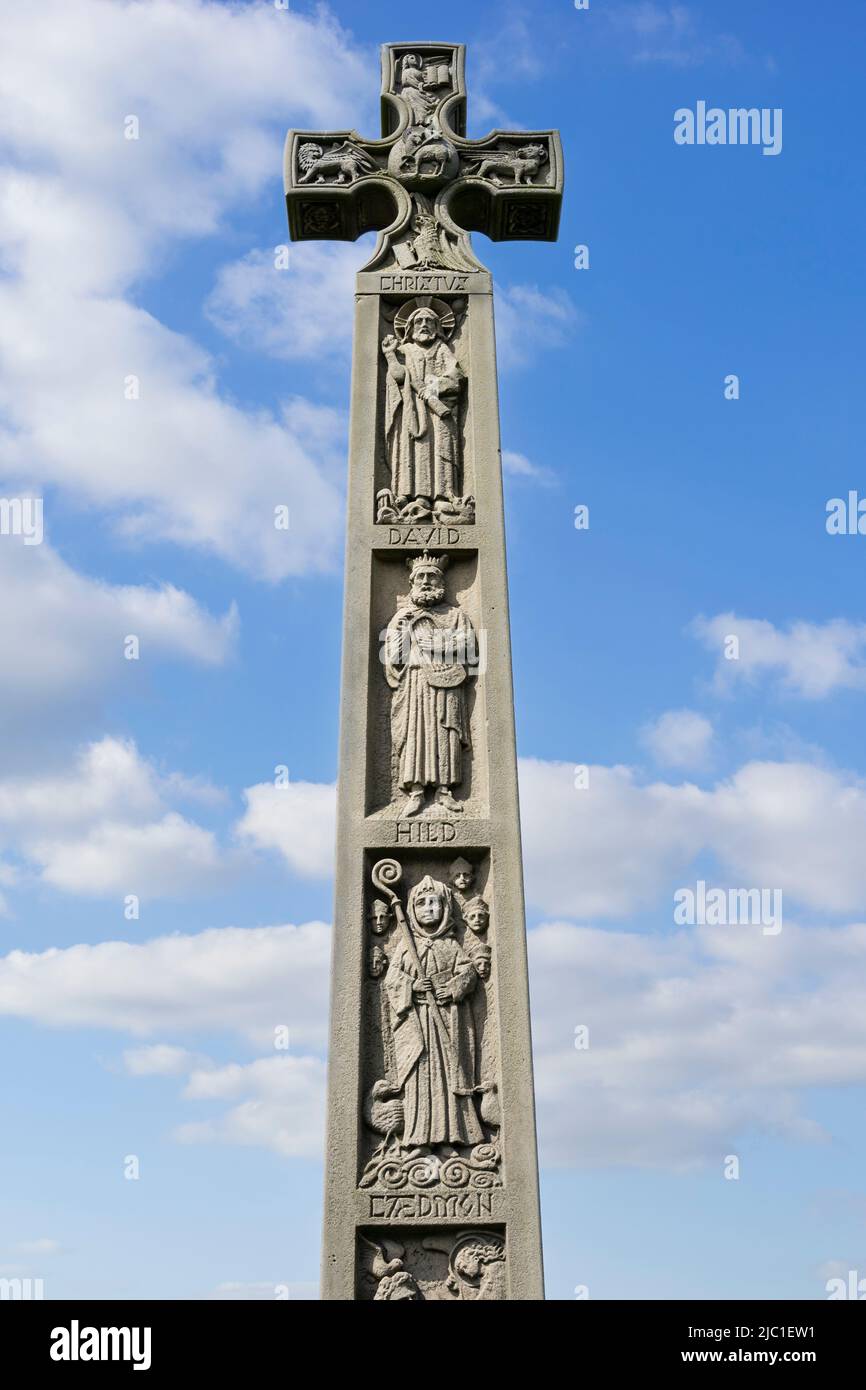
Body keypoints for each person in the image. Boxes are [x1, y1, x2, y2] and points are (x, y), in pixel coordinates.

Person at [384, 876, 484, 1150]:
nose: (428, 908)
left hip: (447, 1024)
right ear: (412, 911)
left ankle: (453, 1138)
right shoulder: (407, 947)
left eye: (434, 903)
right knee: (421, 1081)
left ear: (446, 908)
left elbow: (469, 974)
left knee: (450, 1079)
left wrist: (452, 987)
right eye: (421, 903)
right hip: (418, 1026)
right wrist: (413, 986)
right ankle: (419, 1140)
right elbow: (392, 981)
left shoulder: (451, 946)